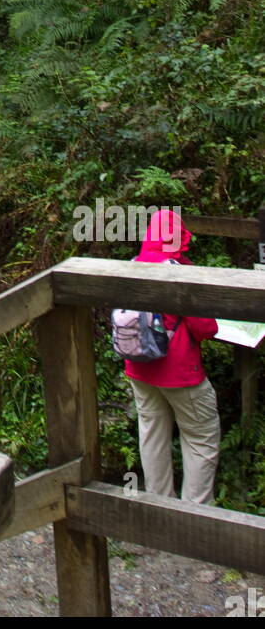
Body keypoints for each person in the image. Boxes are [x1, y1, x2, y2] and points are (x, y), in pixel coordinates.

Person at [125, 209, 220, 505]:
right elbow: (205, 327)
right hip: (179, 372)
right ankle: (195, 517)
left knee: (152, 436)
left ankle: (160, 510)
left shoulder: (132, 267)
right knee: (200, 438)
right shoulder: (178, 270)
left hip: (138, 369)